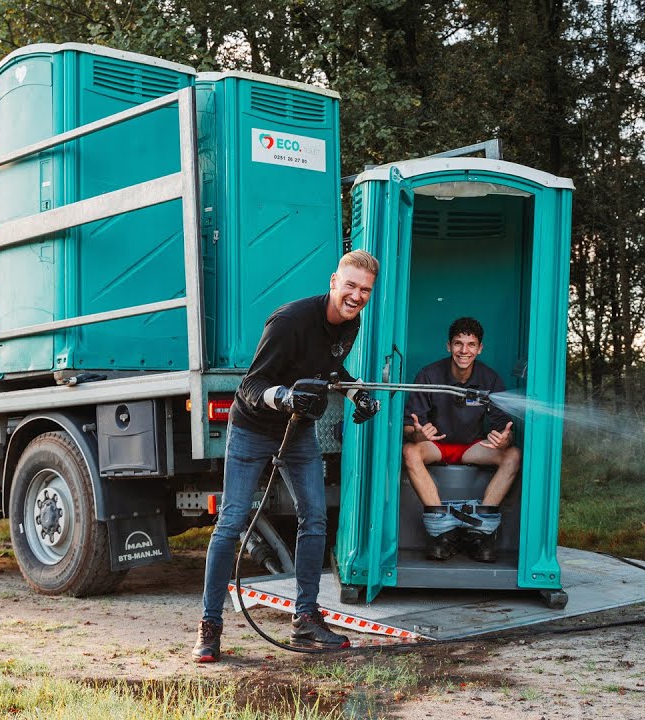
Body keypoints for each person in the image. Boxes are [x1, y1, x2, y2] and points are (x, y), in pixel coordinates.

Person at [192, 250, 382, 663]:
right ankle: (210, 628)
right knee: (232, 520)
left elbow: (331, 372)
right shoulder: (290, 321)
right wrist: (286, 396)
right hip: (252, 430)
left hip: (297, 433)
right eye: (350, 286)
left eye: (365, 290)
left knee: (314, 516)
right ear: (334, 281)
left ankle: (306, 619)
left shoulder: (352, 323)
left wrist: (357, 393)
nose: (356, 296)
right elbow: (251, 385)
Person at [402, 317, 519, 563]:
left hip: (470, 447)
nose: (464, 351)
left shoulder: (490, 379)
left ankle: (480, 532)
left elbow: (503, 428)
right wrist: (417, 434)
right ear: (448, 346)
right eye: (458, 344)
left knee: (513, 455)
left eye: (471, 344)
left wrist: (504, 440)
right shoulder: (429, 375)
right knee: (410, 451)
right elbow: (408, 427)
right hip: (436, 446)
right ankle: (442, 532)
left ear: (480, 348)